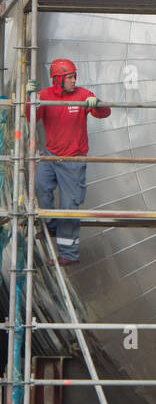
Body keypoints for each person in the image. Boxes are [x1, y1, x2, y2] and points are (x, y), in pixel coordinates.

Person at [26, 58, 111, 266]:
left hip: (73, 160)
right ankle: (51, 226)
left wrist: (97, 104)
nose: (74, 80)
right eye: (70, 77)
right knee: (40, 186)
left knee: (68, 205)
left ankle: (68, 254)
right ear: (57, 80)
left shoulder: (83, 95)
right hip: (51, 155)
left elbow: (105, 113)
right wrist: (29, 99)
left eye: (75, 76)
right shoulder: (44, 96)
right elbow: (30, 118)